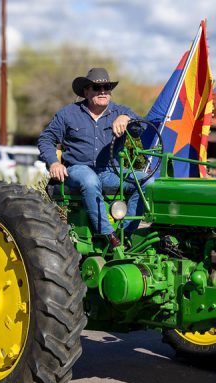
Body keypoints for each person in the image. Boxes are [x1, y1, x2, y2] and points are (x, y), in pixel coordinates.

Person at [38, 68, 148, 249]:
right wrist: (54, 162)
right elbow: (46, 139)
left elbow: (140, 129)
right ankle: (107, 235)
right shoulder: (68, 114)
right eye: (97, 88)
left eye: (107, 87)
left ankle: (126, 233)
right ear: (86, 92)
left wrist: (127, 118)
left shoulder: (120, 111)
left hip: (109, 171)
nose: (102, 92)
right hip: (77, 169)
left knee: (147, 181)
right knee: (90, 180)